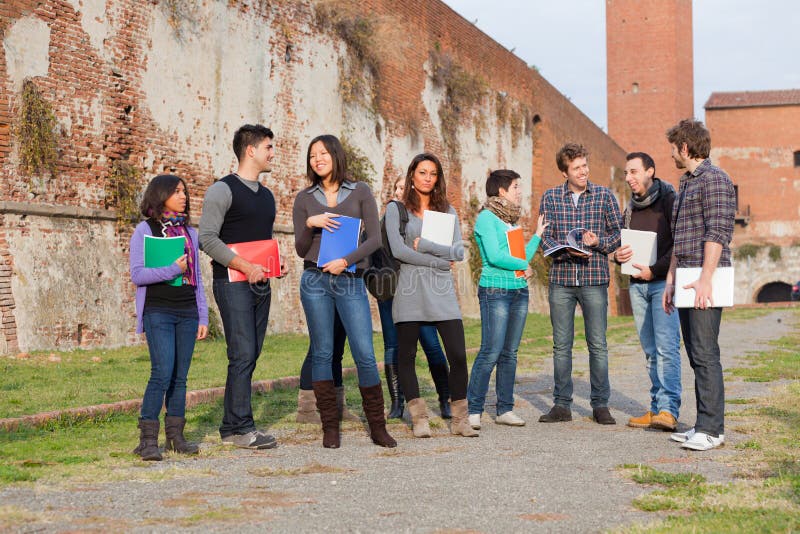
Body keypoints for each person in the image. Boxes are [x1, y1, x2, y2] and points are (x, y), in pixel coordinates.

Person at [292, 134, 395, 449]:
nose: (318, 159)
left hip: (349, 279)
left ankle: (377, 427)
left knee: (364, 352)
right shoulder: (304, 198)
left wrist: (345, 261)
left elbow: (375, 239)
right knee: (322, 352)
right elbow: (300, 249)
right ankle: (330, 428)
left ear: (336, 155)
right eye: (312, 156)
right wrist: (310, 223)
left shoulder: (360, 191)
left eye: (323, 153)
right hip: (314, 281)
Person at [385, 153, 477, 438]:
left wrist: (423, 245)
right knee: (407, 356)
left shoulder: (447, 211)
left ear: (438, 178)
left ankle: (460, 420)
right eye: (422, 172)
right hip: (410, 290)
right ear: (412, 174)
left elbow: (458, 252)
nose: (427, 178)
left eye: (432, 173)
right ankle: (419, 418)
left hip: (441, 291)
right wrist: (437, 260)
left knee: (458, 356)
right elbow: (398, 251)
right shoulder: (396, 210)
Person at [199, 124, 278, 450]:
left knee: (250, 354)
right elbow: (206, 238)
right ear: (251, 150)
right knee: (243, 352)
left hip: (261, 283)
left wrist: (275, 264)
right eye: (269, 147)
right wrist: (244, 266)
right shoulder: (222, 190)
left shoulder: (268, 196)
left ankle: (231, 426)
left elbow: (262, 241)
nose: (273, 153)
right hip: (231, 284)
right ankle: (243, 427)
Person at [662, 119, 735, 451]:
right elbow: (680, 239)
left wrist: (706, 278)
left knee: (706, 353)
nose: (672, 154)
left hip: (707, 277)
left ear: (685, 147)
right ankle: (704, 424)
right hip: (686, 277)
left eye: (673, 147)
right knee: (694, 353)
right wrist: (670, 281)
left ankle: (711, 428)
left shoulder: (716, 180)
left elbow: (717, 232)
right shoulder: (686, 183)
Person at [538, 143, 622, 425]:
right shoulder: (550, 198)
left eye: (585, 165)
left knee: (597, 344)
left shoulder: (604, 196)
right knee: (561, 346)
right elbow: (544, 238)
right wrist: (563, 250)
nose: (584, 171)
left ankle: (600, 405)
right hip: (561, 280)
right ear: (565, 171)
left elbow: (618, 236)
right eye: (577, 168)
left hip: (594, 279)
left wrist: (598, 242)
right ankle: (561, 405)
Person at [130, 174, 209, 461]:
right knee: (162, 373)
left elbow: (198, 278)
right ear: (161, 195)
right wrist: (172, 270)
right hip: (158, 311)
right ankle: (148, 440)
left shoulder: (191, 233)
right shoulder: (144, 230)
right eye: (177, 191)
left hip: (187, 311)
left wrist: (203, 316)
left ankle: (176, 437)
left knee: (180, 378)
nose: (184, 196)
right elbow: (137, 275)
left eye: (184, 191)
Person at [466, 169, 547, 429]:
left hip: (518, 291)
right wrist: (523, 263)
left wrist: (537, 235)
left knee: (510, 353)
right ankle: (473, 409)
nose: (519, 192)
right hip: (495, 291)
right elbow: (495, 255)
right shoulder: (487, 218)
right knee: (491, 351)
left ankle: (504, 409)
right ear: (501, 190)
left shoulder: (511, 221)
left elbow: (520, 255)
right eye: (515, 187)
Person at [612, 152, 682, 431]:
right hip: (637, 286)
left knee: (667, 349)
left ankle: (669, 410)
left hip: (662, 284)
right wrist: (617, 255)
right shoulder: (629, 207)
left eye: (633, 172)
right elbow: (620, 242)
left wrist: (654, 271)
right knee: (651, 351)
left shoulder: (669, 200)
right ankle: (655, 409)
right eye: (627, 173)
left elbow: (679, 245)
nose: (628, 178)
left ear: (650, 171)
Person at [378, 176, 452, 420]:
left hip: (420, 290)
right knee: (392, 345)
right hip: (391, 291)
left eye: (404, 187)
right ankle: (397, 403)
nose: (400, 192)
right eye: (397, 187)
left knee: (431, 343)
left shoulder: (425, 220)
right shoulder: (385, 219)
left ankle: (445, 399)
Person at [295, 310, 361, 424]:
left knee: (337, 352)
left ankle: (338, 407)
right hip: (321, 295)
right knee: (317, 351)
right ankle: (306, 411)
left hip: (343, 295)